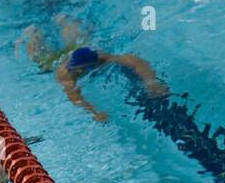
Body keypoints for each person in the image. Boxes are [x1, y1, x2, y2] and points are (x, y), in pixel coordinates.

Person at [20, 19, 167, 123]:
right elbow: (74, 97)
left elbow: (134, 61)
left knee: (78, 35)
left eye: (81, 69)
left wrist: (150, 81)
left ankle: (62, 20)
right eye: (77, 70)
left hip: (79, 53)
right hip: (53, 61)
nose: (78, 73)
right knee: (37, 55)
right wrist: (93, 112)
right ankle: (32, 34)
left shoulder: (100, 58)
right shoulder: (65, 74)